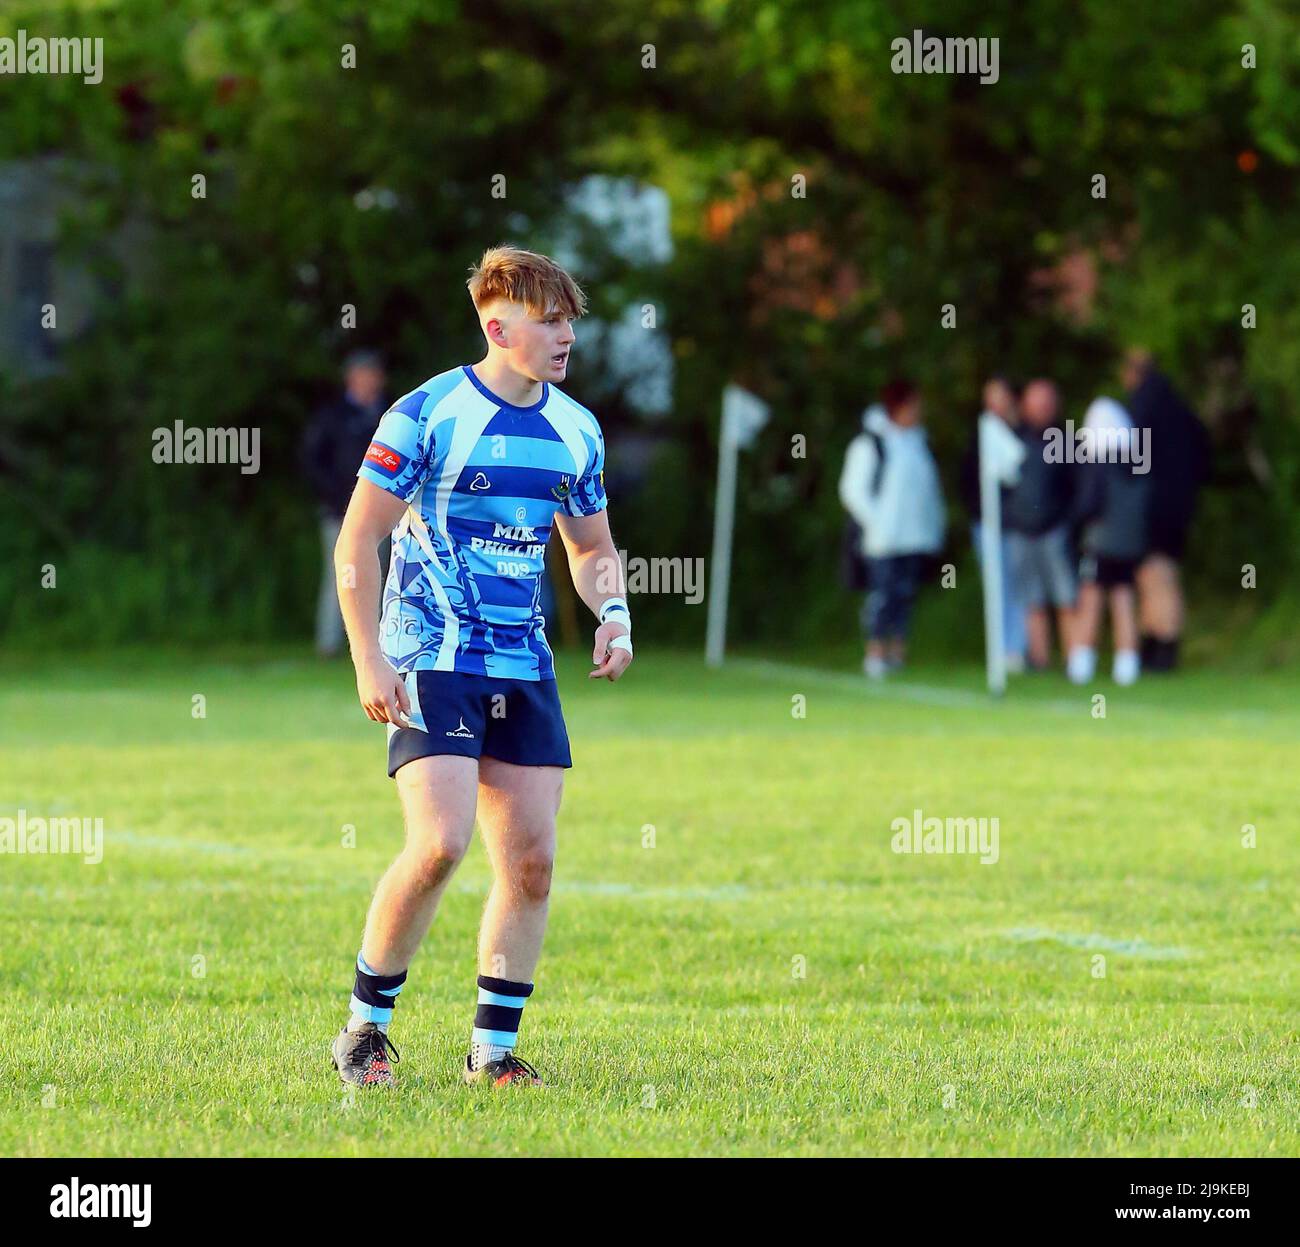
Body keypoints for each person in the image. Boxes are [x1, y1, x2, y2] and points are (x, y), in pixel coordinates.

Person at [329, 245, 633, 1089]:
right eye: (551, 318)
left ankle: (491, 1053)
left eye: (571, 318)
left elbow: (592, 544)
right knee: (439, 843)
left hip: (522, 662)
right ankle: (364, 1030)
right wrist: (369, 655)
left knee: (531, 862)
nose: (567, 333)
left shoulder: (578, 429)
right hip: (432, 653)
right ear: (499, 326)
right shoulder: (425, 414)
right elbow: (358, 539)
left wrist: (613, 613)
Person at [838, 379, 945, 679]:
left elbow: (928, 492)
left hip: (914, 538)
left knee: (905, 596)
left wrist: (933, 528)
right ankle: (875, 652)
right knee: (881, 596)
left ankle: (898, 653)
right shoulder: (872, 444)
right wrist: (878, 523)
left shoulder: (918, 443)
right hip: (882, 540)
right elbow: (853, 490)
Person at [1122, 349, 1210, 672]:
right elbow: (1203, 452)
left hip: (1153, 506)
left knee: (1156, 575)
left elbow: (1133, 459)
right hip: (1180, 504)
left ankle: (1162, 649)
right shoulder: (1180, 408)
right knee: (1159, 573)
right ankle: (1155, 645)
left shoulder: (1143, 408)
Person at [300, 351, 389, 657]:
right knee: (339, 574)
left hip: (379, 516)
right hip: (339, 513)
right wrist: (335, 498)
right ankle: (329, 644)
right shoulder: (333, 417)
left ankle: (378, 647)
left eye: (372, 374)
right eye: (363, 374)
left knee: (380, 576)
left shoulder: (388, 415)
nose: (368, 381)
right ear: (351, 378)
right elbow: (313, 462)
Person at [1067, 396, 1150, 686]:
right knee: (1124, 600)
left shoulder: (1099, 466)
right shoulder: (1136, 464)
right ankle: (1127, 666)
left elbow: (1088, 505)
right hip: (1130, 545)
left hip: (1100, 544)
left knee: (1091, 600)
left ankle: (1081, 665)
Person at [1003, 379, 1077, 671]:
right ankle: (1039, 660)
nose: (1042, 408)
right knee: (1031, 600)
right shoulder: (1012, 439)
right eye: (1036, 401)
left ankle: (1076, 660)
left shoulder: (1066, 440)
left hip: (1056, 530)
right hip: (1022, 531)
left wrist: (1069, 520)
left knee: (1066, 598)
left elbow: (1078, 486)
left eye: (1047, 401)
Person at [959, 376, 1027, 672]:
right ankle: (999, 649)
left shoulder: (1021, 432)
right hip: (987, 524)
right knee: (996, 585)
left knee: (1018, 586)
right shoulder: (981, 434)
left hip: (1016, 526)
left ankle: (1017, 650)